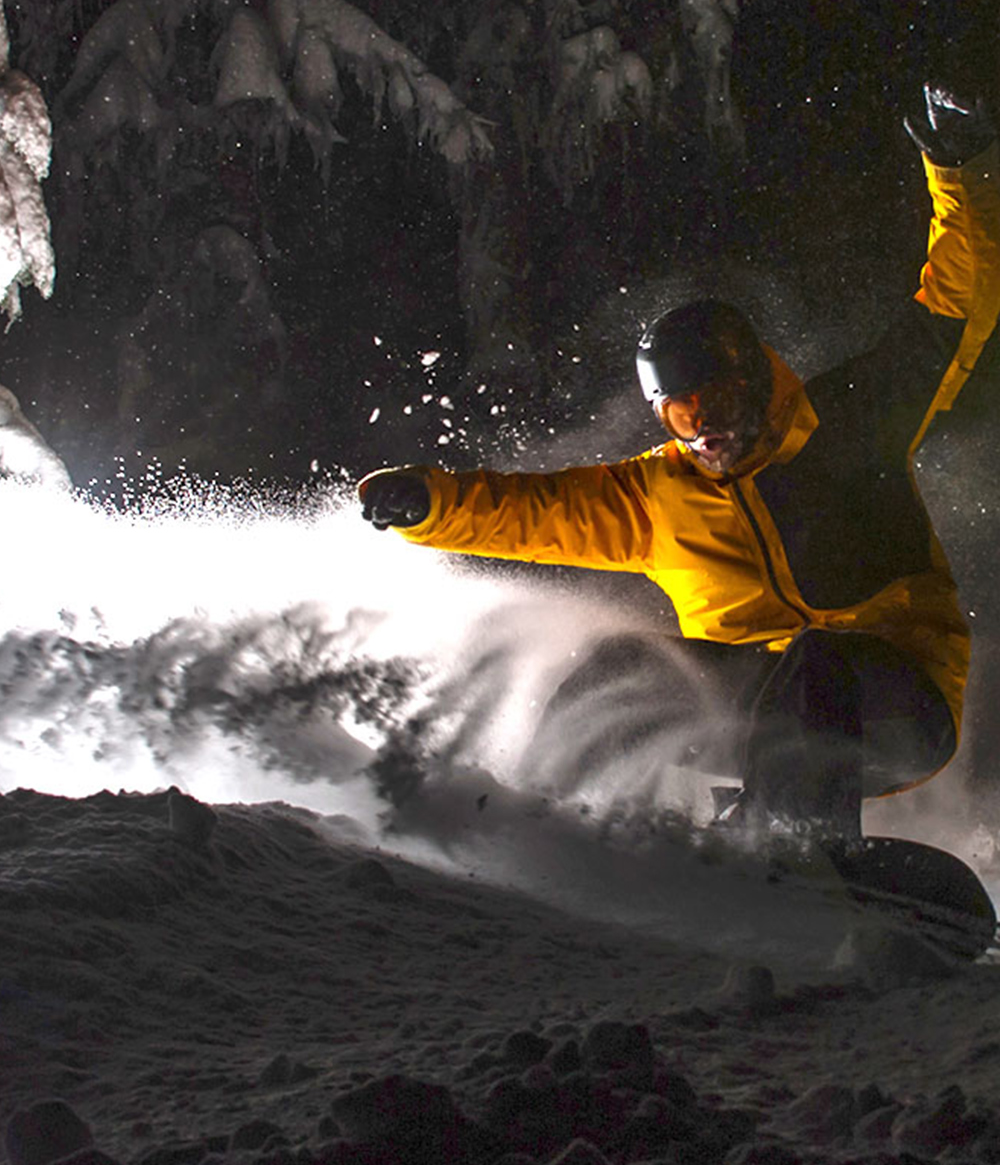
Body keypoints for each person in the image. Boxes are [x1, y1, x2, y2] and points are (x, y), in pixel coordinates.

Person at [358, 85, 1000, 846]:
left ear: (758, 383)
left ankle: (797, 846)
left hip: (897, 701)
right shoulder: (662, 494)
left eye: (721, 403)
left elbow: (958, 307)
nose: (706, 431)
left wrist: (955, 170)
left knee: (815, 661)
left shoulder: (851, 423)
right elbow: (531, 512)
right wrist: (429, 504)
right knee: (620, 669)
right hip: (760, 711)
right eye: (682, 415)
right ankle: (537, 834)